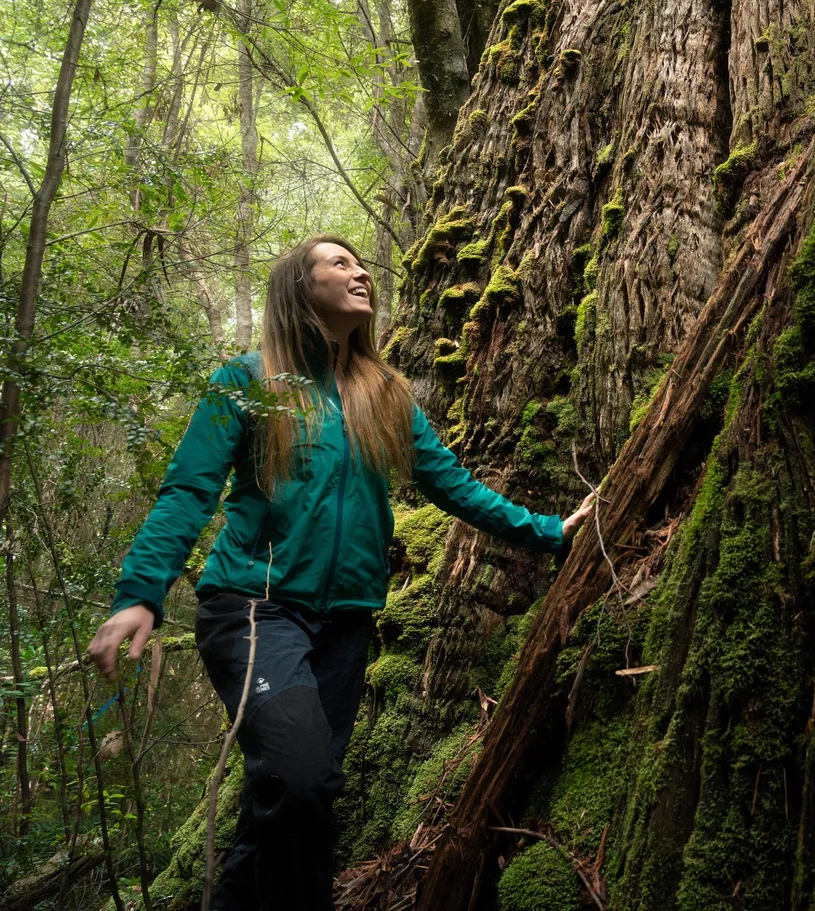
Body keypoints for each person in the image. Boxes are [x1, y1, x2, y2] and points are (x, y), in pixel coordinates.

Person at [87, 233, 593, 911]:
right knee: (298, 775)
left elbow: (453, 485)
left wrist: (548, 531)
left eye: (360, 263)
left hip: (346, 623)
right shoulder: (245, 381)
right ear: (300, 286)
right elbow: (187, 492)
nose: (361, 273)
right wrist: (139, 594)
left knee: (297, 792)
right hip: (254, 607)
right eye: (340, 263)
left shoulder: (383, 393)